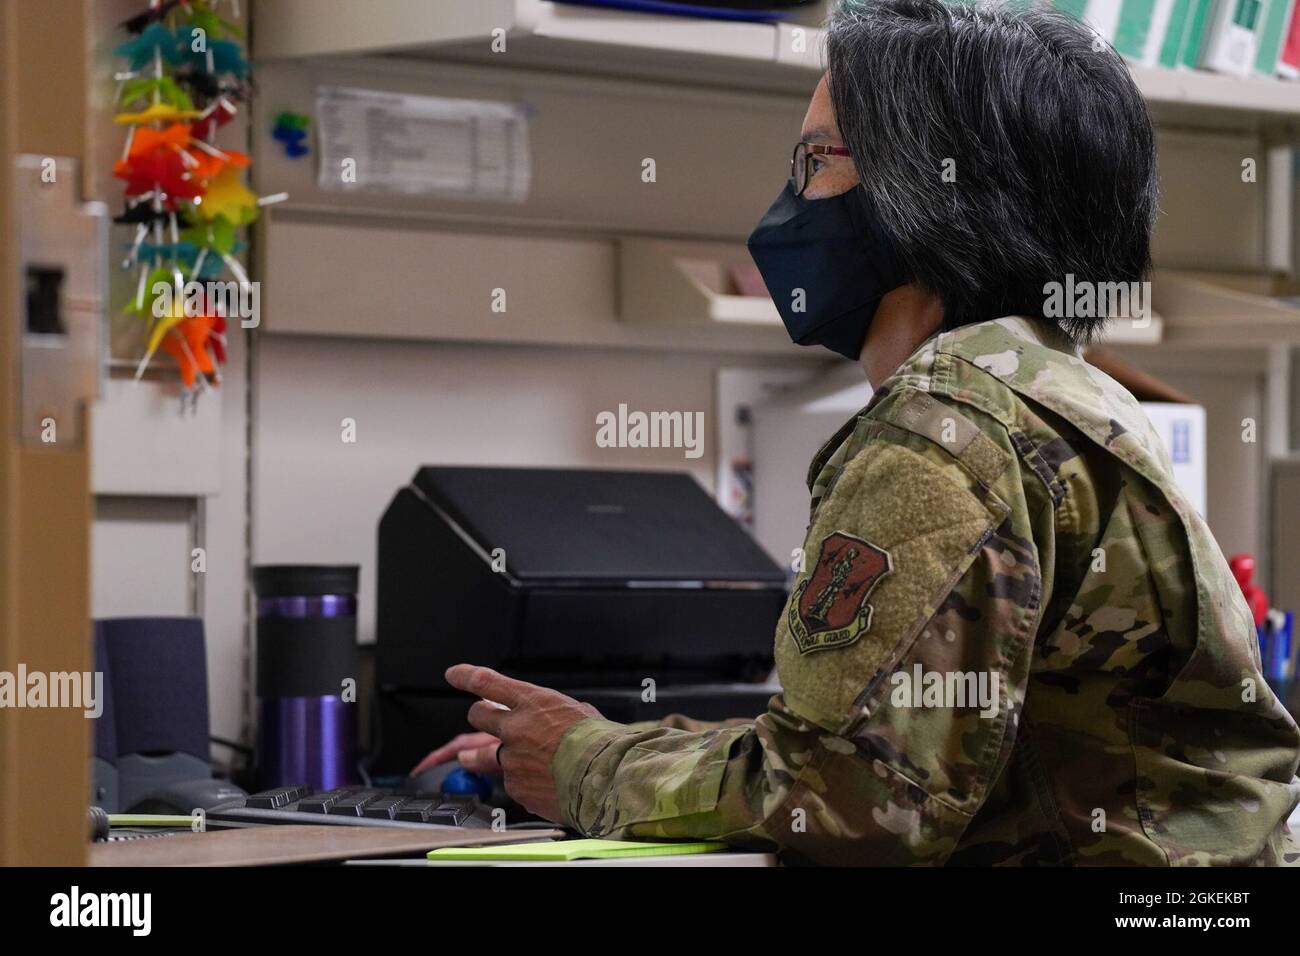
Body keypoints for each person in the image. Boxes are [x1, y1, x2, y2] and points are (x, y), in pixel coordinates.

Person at [413, 0, 1300, 865]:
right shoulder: (1068, 393)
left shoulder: (939, 434)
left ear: (925, 189)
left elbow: (849, 803)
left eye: (816, 161)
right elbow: (895, 748)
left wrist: (579, 765)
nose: (791, 199)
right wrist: (621, 743)